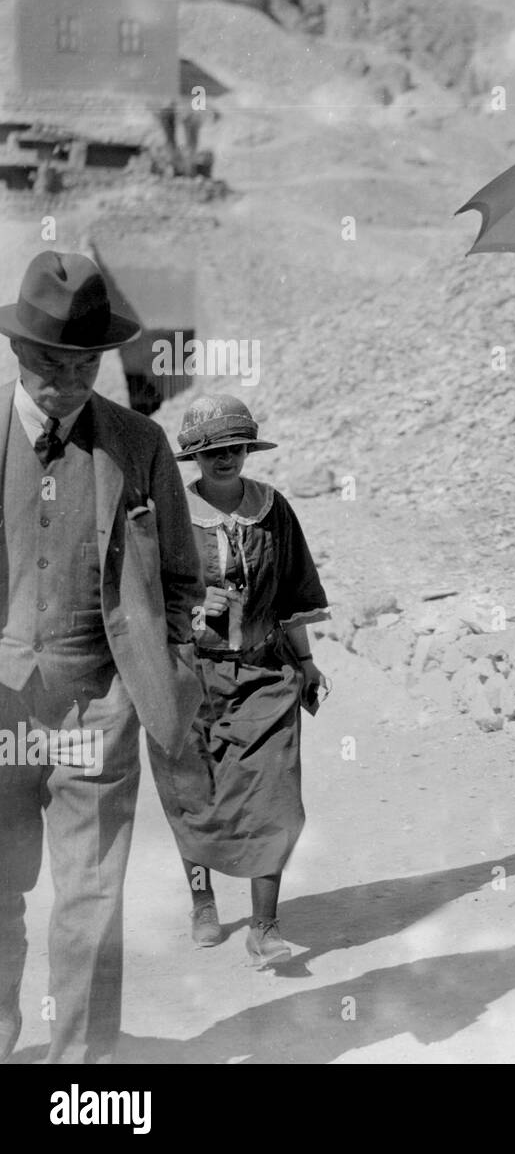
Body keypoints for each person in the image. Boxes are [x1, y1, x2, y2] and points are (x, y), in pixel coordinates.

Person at [0, 251, 205, 1063]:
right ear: (19, 353)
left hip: (99, 707)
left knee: (90, 895)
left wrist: (165, 673)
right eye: (52, 363)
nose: (69, 381)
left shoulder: (140, 444)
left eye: (84, 364)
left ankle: (78, 1076)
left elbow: (184, 580)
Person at [149, 394, 329, 968]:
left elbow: (295, 594)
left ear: (248, 449)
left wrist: (304, 663)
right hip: (188, 674)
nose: (224, 459)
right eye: (211, 450)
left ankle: (265, 926)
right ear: (195, 457)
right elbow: (141, 596)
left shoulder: (273, 510)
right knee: (193, 795)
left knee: (274, 797)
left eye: (234, 448)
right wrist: (185, 619)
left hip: (263, 672)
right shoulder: (168, 513)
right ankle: (202, 900)